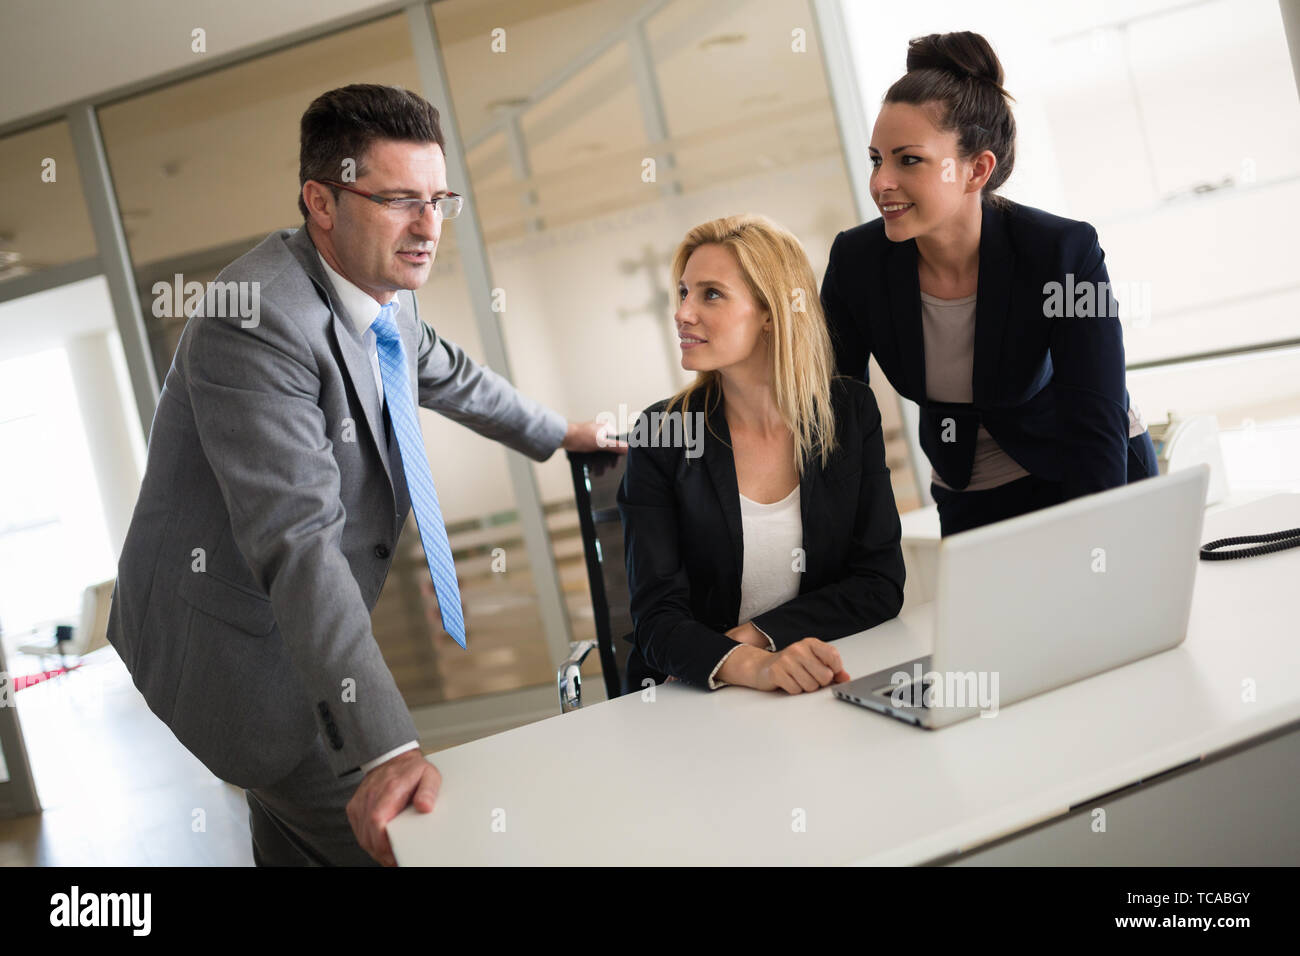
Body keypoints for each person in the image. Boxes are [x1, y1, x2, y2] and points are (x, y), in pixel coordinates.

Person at [105, 84, 623, 867]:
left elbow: (445, 371)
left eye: (439, 200)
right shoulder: (253, 320)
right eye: (399, 202)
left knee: (296, 848)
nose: (427, 228)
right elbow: (297, 542)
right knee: (401, 848)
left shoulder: (381, 292)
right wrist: (387, 748)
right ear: (322, 200)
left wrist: (562, 433)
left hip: (293, 632)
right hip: (234, 650)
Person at [822, 31, 1159, 537]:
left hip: (1085, 467)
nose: (880, 182)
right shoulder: (856, 262)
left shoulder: (1063, 253)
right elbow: (838, 416)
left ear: (976, 169)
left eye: (907, 159)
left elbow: (1095, 414)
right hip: (967, 486)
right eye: (876, 158)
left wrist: (1103, 548)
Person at [616, 214, 905, 695]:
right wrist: (752, 665)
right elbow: (657, 619)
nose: (683, 312)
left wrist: (759, 635)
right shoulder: (661, 434)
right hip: (687, 698)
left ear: (771, 312)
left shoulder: (849, 412)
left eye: (711, 294)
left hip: (814, 678)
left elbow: (877, 583)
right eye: (684, 292)